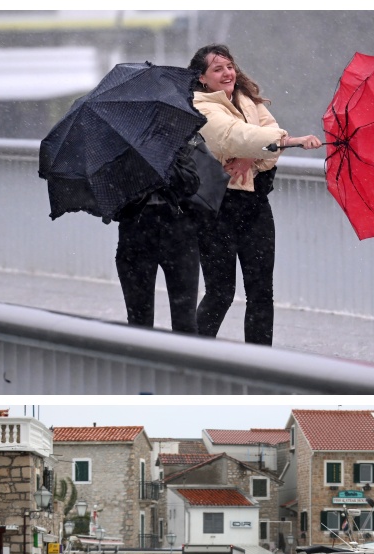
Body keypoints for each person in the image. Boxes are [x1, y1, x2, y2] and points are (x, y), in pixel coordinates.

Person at [188, 44, 322, 345]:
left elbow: (268, 138)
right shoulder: (199, 105)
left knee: (261, 291)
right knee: (220, 291)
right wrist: (283, 142)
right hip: (217, 208)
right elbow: (232, 135)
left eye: (229, 66)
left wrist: (251, 157)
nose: (227, 73)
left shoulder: (247, 99)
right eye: (218, 68)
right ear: (202, 78)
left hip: (254, 204)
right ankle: (190, 353)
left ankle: (260, 362)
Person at [113, 138, 202, 333]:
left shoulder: (178, 138)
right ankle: (140, 364)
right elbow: (111, 200)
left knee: (185, 323)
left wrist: (161, 160)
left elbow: (191, 183)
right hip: (136, 234)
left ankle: (183, 363)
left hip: (179, 232)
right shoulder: (117, 146)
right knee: (139, 322)